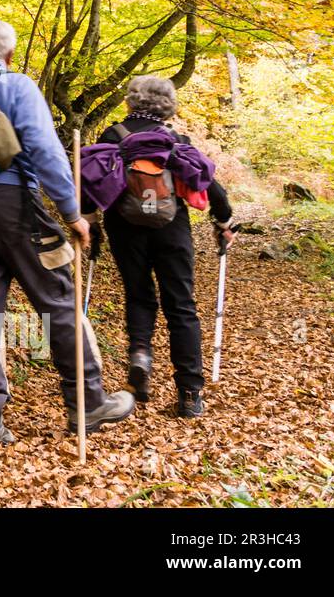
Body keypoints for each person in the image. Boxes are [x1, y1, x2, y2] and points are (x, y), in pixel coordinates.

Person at [0, 19, 135, 449]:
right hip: (14, 207)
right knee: (56, 298)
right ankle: (88, 401)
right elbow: (44, 148)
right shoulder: (17, 86)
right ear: (9, 55)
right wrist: (72, 212)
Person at [89, 75, 235, 418]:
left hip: (125, 226)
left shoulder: (114, 137)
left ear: (131, 101)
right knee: (180, 304)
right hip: (172, 227)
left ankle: (140, 357)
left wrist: (89, 222)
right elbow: (211, 185)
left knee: (139, 295)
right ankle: (189, 394)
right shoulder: (174, 140)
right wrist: (223, 222)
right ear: (168, 105)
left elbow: (91, 177)